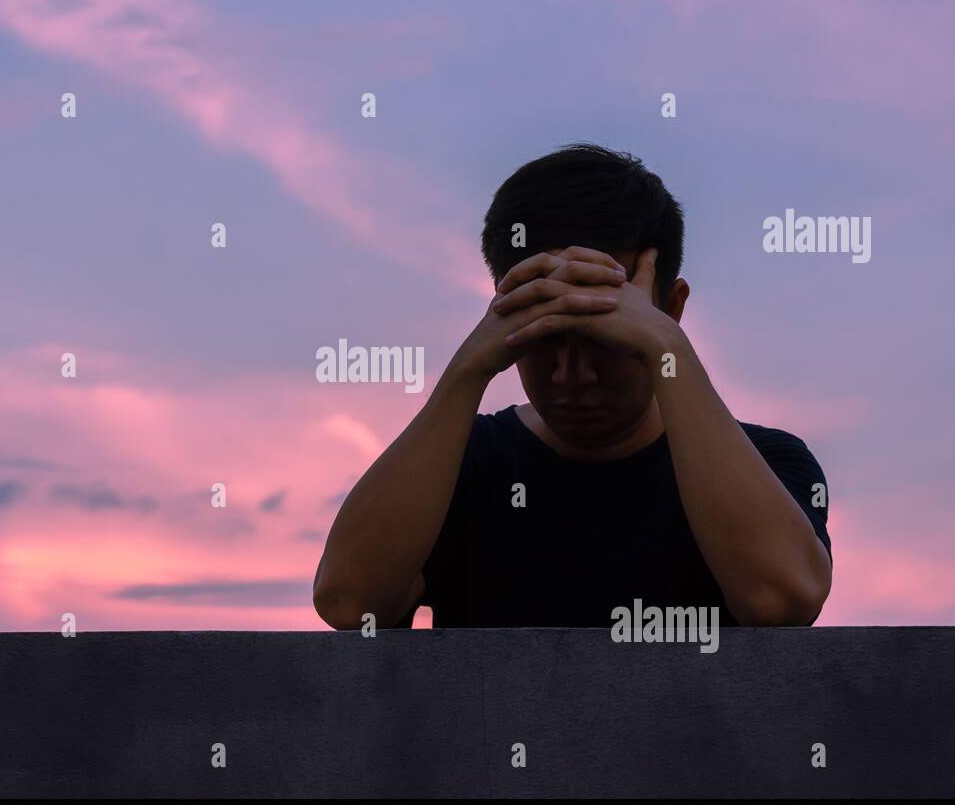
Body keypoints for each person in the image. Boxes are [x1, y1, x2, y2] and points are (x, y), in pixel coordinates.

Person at [313, 143, 832, 629]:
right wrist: (467, 371)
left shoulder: (769, 462)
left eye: (606, 336)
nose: (572, 374)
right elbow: (349, 601)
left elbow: (781, 600)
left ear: (670, 308)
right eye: (546, 335)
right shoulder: (461, 465)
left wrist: (667, 349)